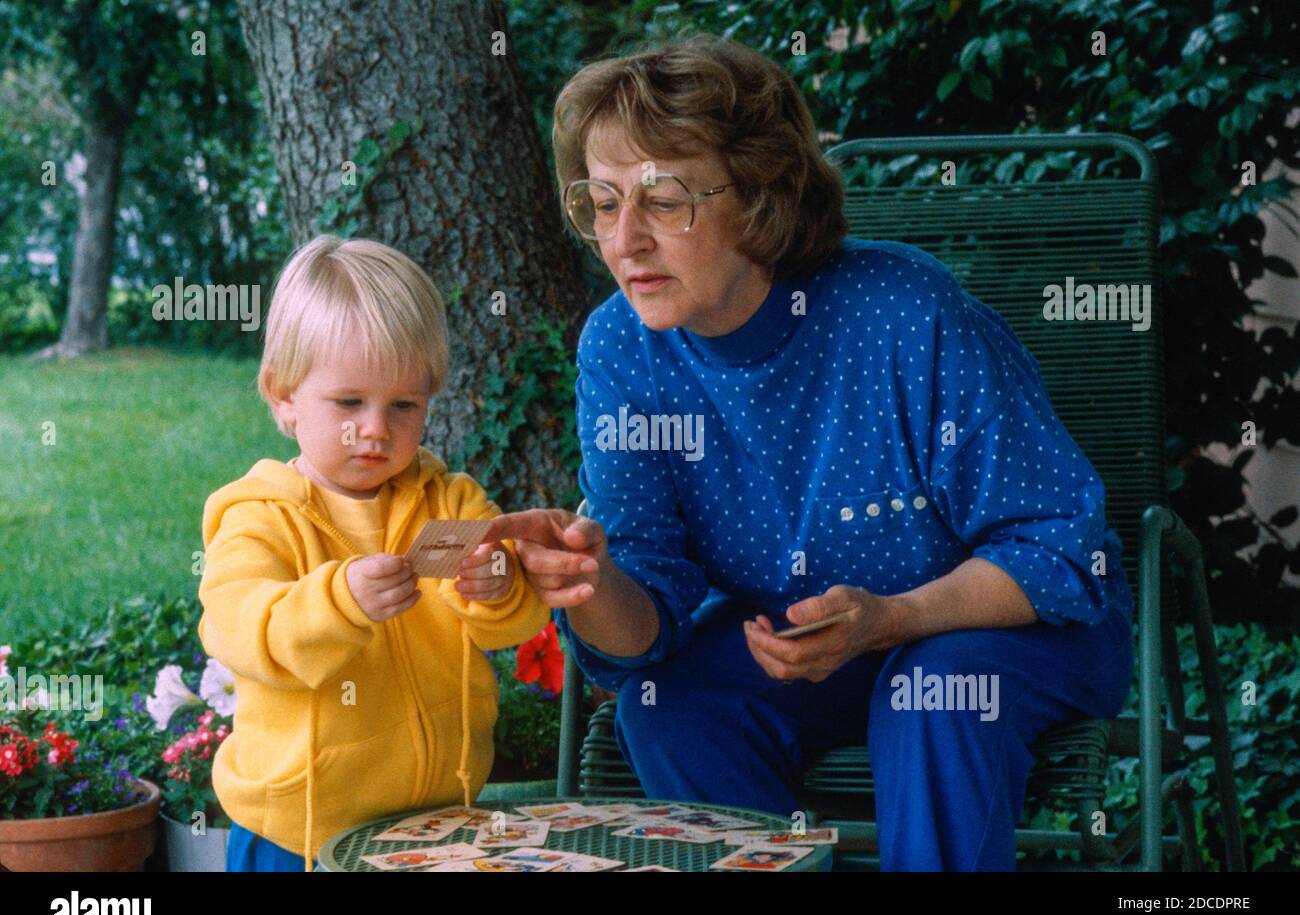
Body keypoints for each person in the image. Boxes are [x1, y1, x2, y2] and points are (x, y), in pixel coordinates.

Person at [485, 35, 1135, 871]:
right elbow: (644, 612)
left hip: (1014, 623)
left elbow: (1056, 549)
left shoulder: (906, 309)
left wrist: (893, 620)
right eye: (604, 203)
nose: (626, 241)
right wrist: (588, 580)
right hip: (820, 644)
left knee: (927, 692)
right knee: (669, 703)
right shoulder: (620, 348)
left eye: (665, 199)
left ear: (759, 192)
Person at [198, 235, 549, 871]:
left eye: (404, 405)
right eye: (349, 402)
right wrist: (337, 601)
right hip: (297, 834)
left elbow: (516, 617)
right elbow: (243, 630)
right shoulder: (259, 517)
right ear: (283, 395)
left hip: (435, 826)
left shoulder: (451, 503)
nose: (377, 429)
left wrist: (496, 582)